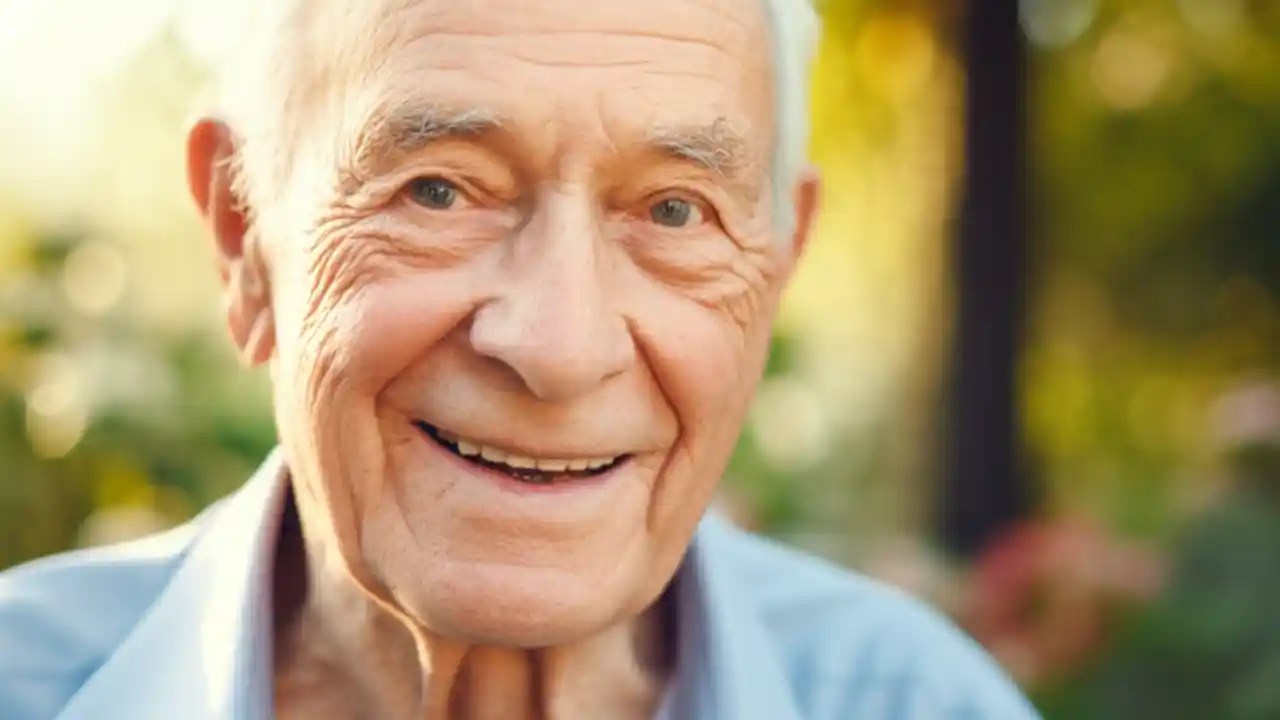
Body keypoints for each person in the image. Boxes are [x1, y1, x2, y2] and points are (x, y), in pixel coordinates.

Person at [0, 0, 1040, 717]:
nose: (560, 347)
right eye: (438, 191)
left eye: (674, 211)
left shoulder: (926, 704)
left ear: (776, 264)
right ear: (243, 237)